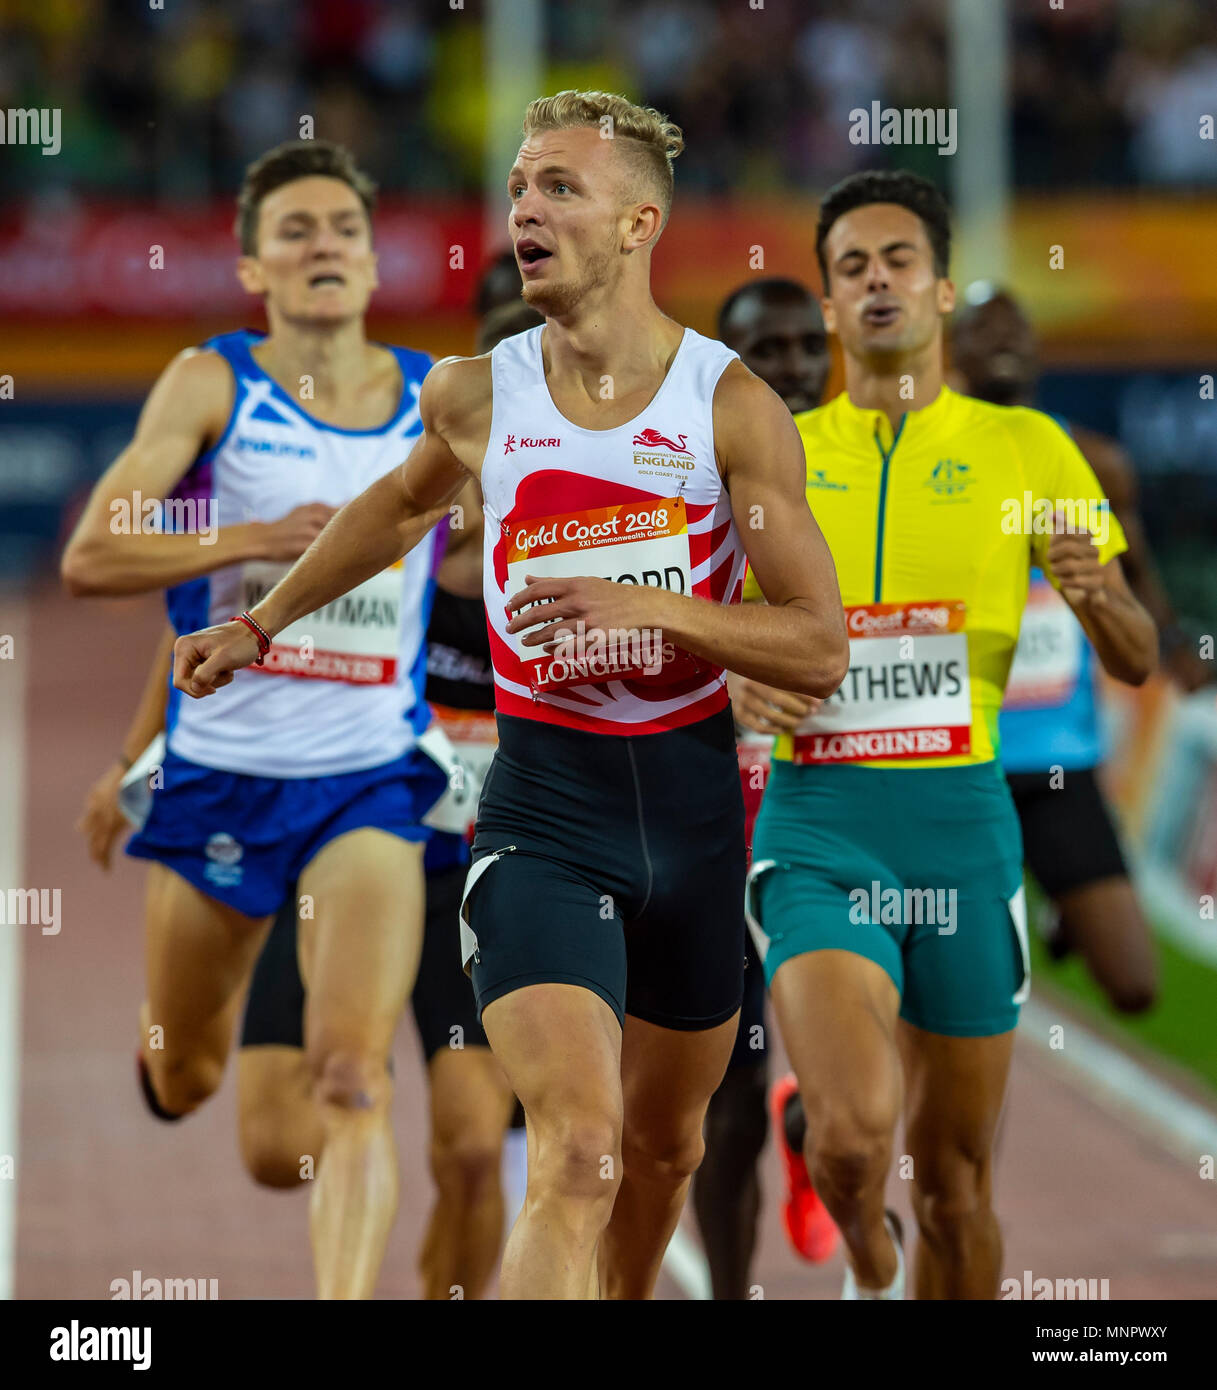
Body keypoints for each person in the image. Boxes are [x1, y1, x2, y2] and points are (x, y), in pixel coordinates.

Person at [169, 89, 849, 1301]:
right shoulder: (479, 396)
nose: (524, 210)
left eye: (558, 189)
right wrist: (259, 622)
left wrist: (660, 608)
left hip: (691, 820)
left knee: (661, 1151)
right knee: (576, 1151)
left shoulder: (727, 406)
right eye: (519, 189)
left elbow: (815, 646)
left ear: (639, 224)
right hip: (545, 812)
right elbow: (393, 506)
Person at [735, 170, 1157, 1299]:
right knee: (852, 1139)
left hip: (964, 830)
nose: (876, 282)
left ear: (937, 288)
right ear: (827, 303)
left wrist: (1098, 593)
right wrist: (736, 681)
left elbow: (1129, 653)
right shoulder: (771, 449)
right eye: (852, 269)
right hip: (820, 823)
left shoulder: (1027, 449)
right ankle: (867, 1261)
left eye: (897, 262)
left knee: (958, 1188)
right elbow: (708, 627)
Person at [61, 139, 449, 1299]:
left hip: (370, 777)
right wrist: (253, 538)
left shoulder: (443, 400)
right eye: (294, 229)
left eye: (341, 226)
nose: (321, 243)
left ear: (375, 262)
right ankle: (188, 1030)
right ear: (251, 268)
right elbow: (91, 557)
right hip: (220, 777)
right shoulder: (210, 383)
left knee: (352, 1077)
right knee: (186, 1079)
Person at [952, 284, 1211, 1012]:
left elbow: (1138, 579)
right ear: (950, 350)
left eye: (1014, 324)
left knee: (1133, 985)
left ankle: (1060, 900)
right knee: (963, 996)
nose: (1001, 336)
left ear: (1037, 350)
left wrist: (1172, 646)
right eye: (981, 326)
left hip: (1057, 761)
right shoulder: (924, 461)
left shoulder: (1092, 461)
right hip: (951, 764)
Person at [691, 278, 838, 1299]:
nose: (785, 366)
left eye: (801, 346)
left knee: (851, 1087)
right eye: (760, 350)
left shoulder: (874, 473)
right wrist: (728, 676)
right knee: (724, 1088)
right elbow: (638, 632)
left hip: (846, 811)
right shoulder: (683, 475)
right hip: (715, 814)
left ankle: (813, 1125)